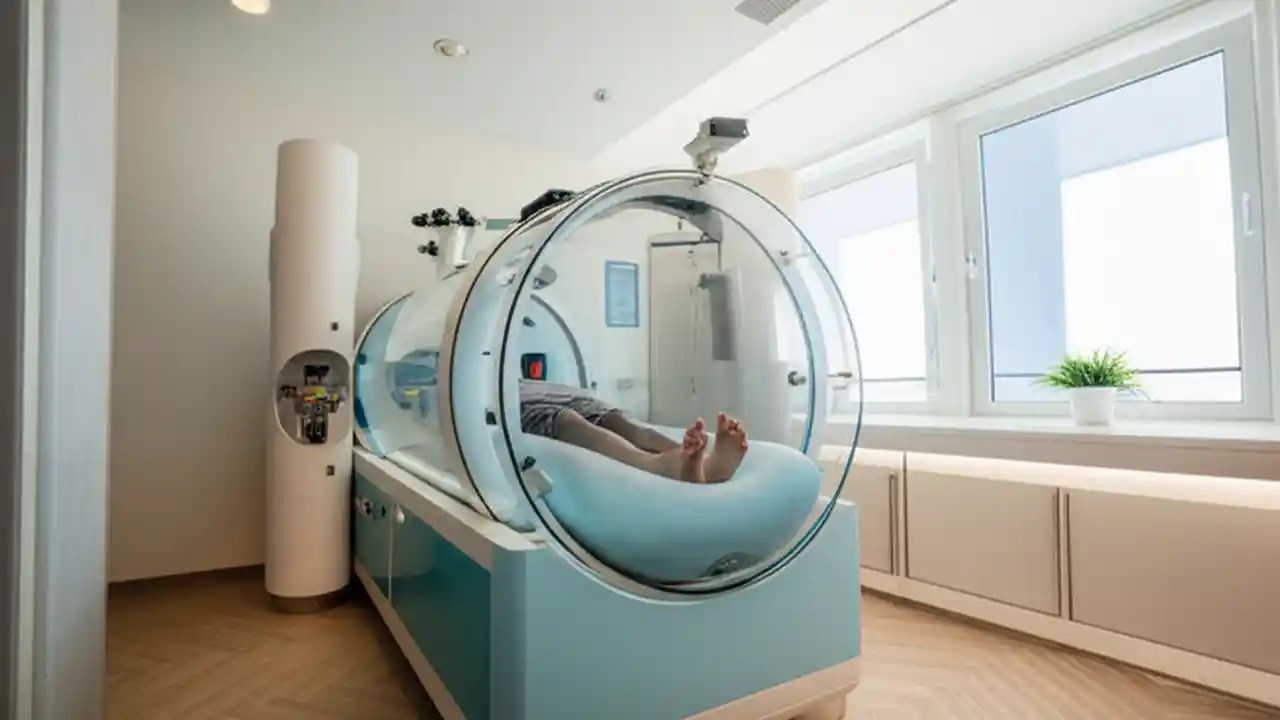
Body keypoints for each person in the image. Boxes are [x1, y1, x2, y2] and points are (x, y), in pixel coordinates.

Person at [520, 380, 748, 484]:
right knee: (567, 421)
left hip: (567, 394)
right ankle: (656, 464)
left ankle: (705, 463)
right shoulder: (490, 381)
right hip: (520, 403)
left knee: (622, 422)